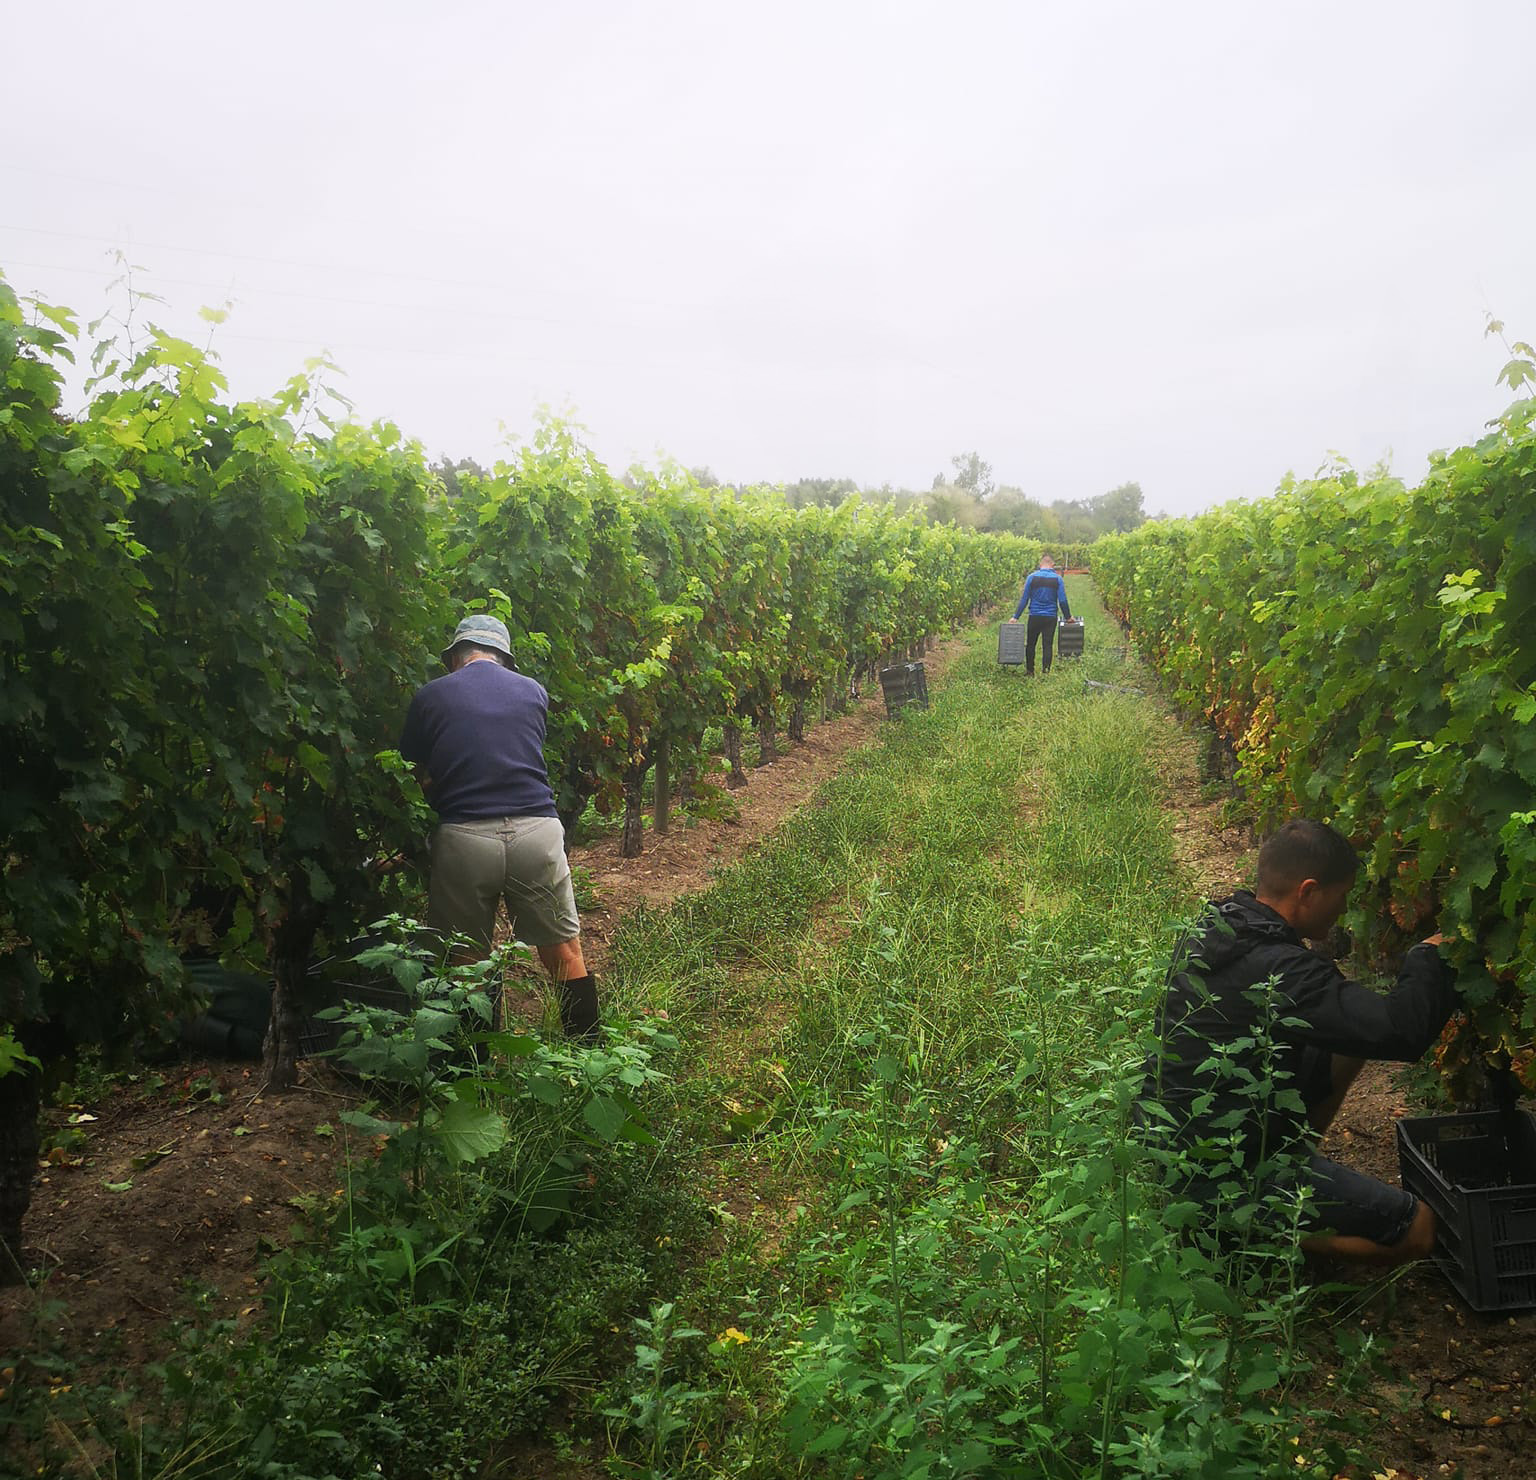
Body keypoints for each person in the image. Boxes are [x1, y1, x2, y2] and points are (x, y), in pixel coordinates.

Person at [1139, 818, 1458, 1267]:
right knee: (1419, 1229)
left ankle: (1269, 1185)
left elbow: (1358, 1026)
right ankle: (1243, 1234)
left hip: (1173, 1145)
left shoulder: (1217, 927)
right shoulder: (1280, 968)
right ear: (1308, 891)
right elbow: (1399, 1031)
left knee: (1349, 1039)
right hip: (1224, 1171)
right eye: (1341, 896)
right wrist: (1429, 956)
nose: (1343, 910)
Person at [398, 614, 599, 1040]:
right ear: (504, 659)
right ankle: (588, 1057)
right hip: (536, 831)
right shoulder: (533, 691)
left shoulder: (431, 695)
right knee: (564, 949)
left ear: (455, 657)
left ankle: (473, 1074)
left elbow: (417, 768)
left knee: (465, 961)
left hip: (465, 837)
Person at [1008, 554, 1072, 675]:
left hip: (1034, 616)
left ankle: (1030, 671)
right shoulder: (1058, 579)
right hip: (1050, 616)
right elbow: (1062, 600)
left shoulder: (1031, 577)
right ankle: (1045, 672)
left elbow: (1024, 599)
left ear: (1040, 564)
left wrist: (1015, 616)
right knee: (1047, 644)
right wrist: (1068, 617)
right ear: (1052, 565)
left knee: (1031, 644)